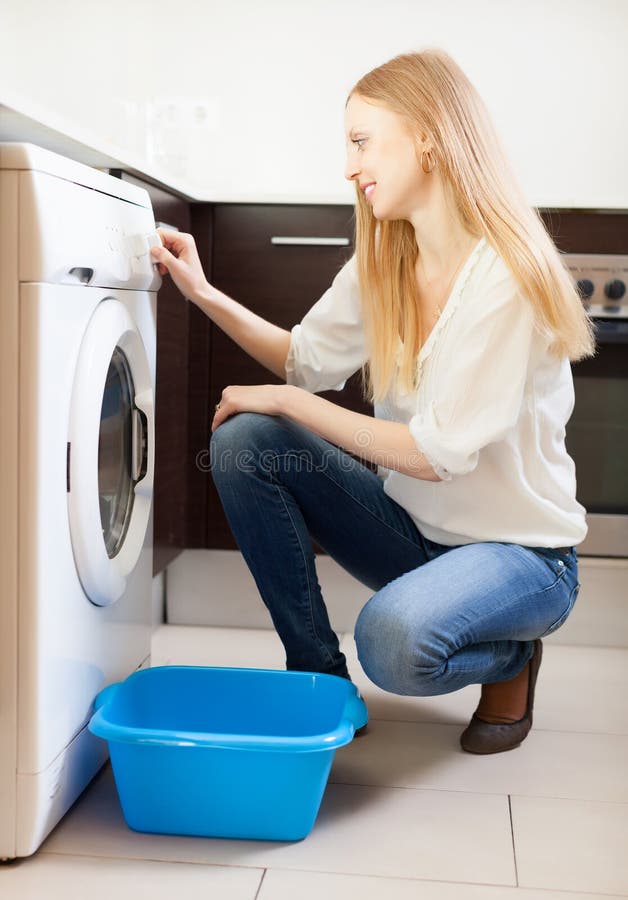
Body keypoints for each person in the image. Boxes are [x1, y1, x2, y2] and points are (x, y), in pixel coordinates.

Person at [150, 49, 595, 755]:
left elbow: (434, 455)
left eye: (361, 142)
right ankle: (318, 679)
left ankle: (513, 658)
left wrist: (289, 403)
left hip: (522, 558)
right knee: (244, 442)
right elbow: (303, 361)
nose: (349, 167)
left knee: (392, 645)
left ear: (427, 136)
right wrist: (200, 291)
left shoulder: (506, 276)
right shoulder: (388, 261)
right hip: (416, 534)